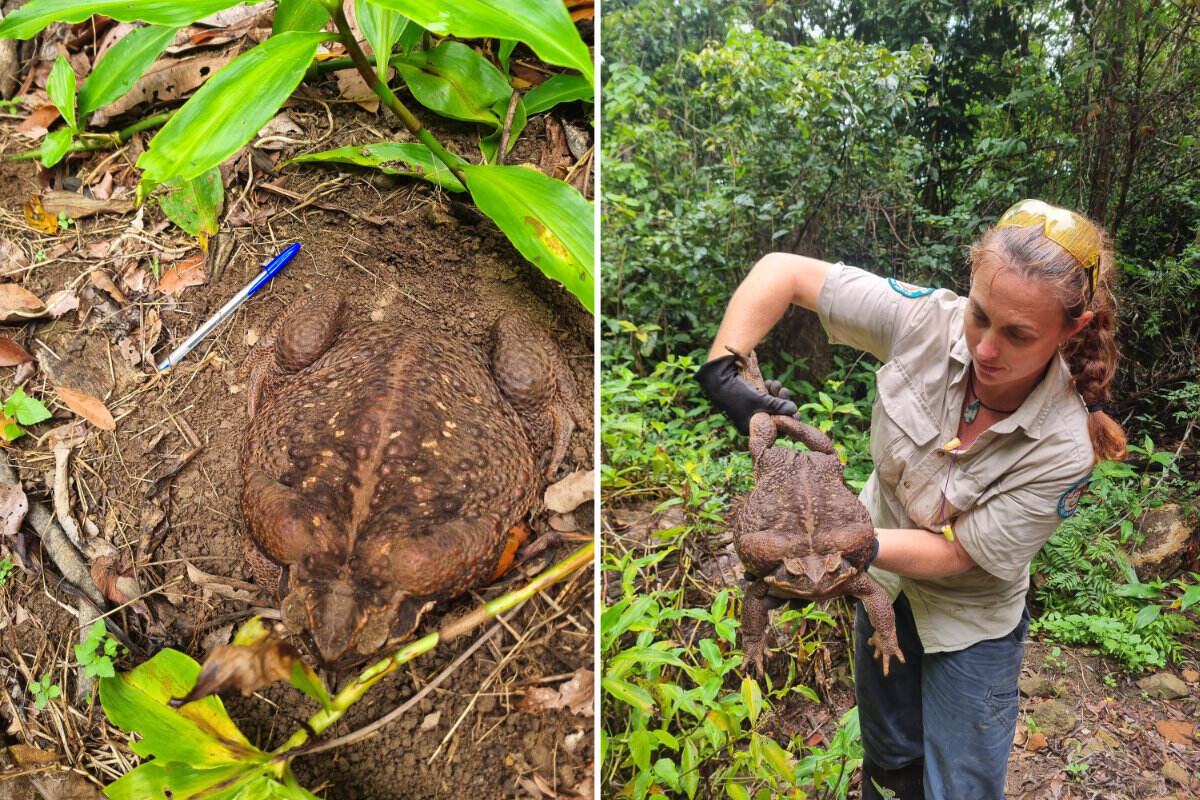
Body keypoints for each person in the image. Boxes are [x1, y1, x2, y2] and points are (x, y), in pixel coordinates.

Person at [697, 199, 1127, 800]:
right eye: (980, 315)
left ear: (1071, 330)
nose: (985, 348)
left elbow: (958, 556)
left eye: (1018, 334)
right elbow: (783, 272)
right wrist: (723, 369)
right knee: (890, 755)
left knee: (962, 784)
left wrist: (836, 547)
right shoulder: (926, 320)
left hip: (968, 618)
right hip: (880, 589)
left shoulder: (1064, 446)